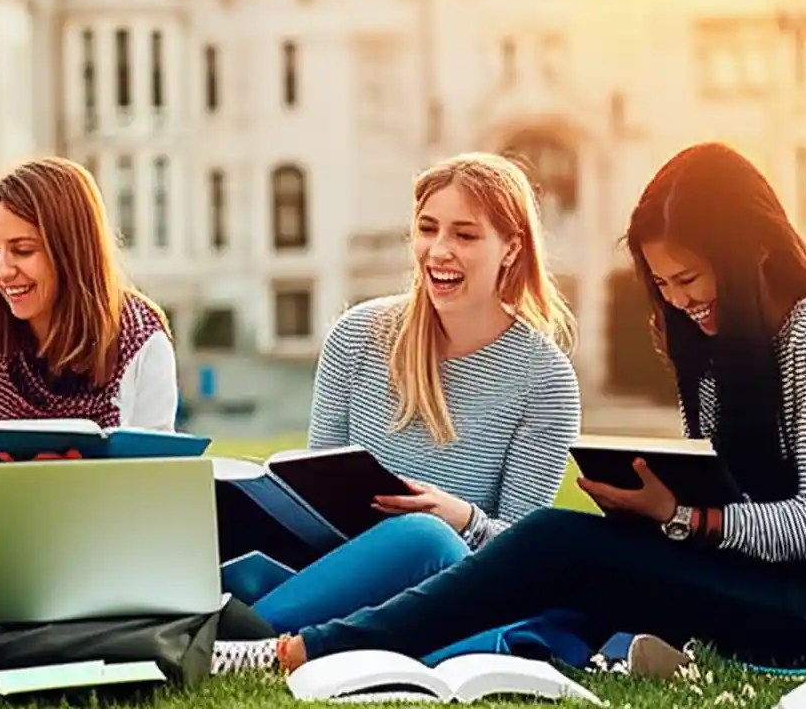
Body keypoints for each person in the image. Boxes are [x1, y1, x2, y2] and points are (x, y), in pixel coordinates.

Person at [219, 142, 806, 674]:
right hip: (763, 580)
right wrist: (665, 513)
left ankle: (297, 651)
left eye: (690, 280)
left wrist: (682, 516)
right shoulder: (723, 346)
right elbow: (738, 503)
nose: (677, 302)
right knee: (586, 557)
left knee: (556, 543)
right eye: (664, 284)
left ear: (749, 253)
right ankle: (547, 650)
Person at [210, 152, 581, 670]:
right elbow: (311, 488)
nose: (439, 251)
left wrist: (463, 519)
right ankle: (251, 629)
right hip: (334, 569)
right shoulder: (359, 336)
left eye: (466, 235)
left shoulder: (544, 380)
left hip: (451, 583)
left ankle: (237, 639)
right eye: (427, 229)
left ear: (511, 247)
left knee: (425, 537)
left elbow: (527, 553)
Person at [0, 157, 177, 528]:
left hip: (100, 549)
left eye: (22, 250)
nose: (1, 270)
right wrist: (39, 507)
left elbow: (155, 494)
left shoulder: (143, 341)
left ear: (71, 250)